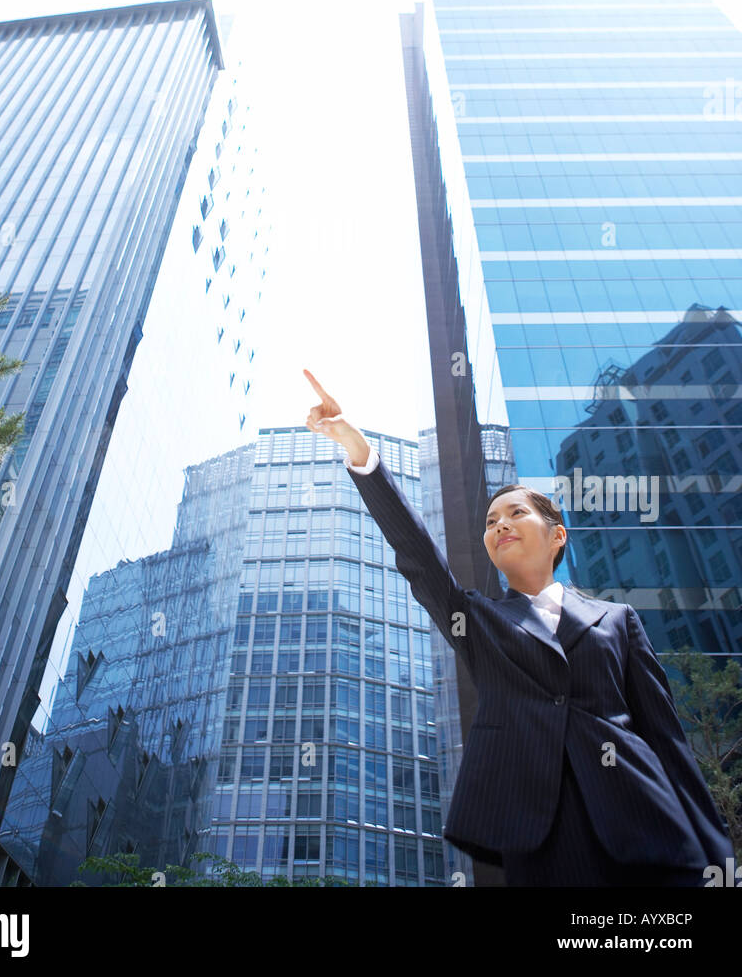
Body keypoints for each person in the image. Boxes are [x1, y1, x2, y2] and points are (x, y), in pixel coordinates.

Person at [303, 368, 734, 888]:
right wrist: (358, 450)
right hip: (543, 835)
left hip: (651, 823)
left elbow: (667, 742)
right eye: (490, 521)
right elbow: (419, 559)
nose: (499, 524)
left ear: (557, 536)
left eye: (515, 513)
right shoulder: (479, 622)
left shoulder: (618, 620)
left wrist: (720, 859)